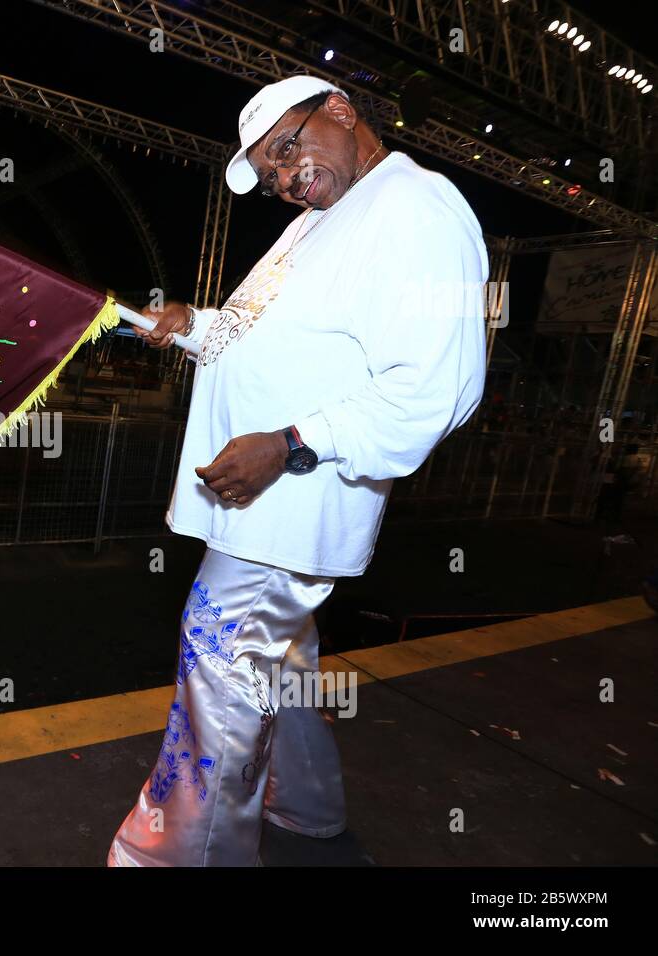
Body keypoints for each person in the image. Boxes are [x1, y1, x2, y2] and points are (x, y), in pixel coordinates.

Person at [109, 74, 488, 866]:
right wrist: (192, 327)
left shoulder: (416, 208)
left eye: (289, 148)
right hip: (266, 509)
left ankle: (177, 856)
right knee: (279, 660)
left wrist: (288, 443)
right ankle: (307, 805)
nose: (285, 177)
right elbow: (270, 335)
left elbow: (438, 388)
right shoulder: (323, 217)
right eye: (271, 172)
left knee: (220, 667)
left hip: (289, 505)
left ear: (341, 109)